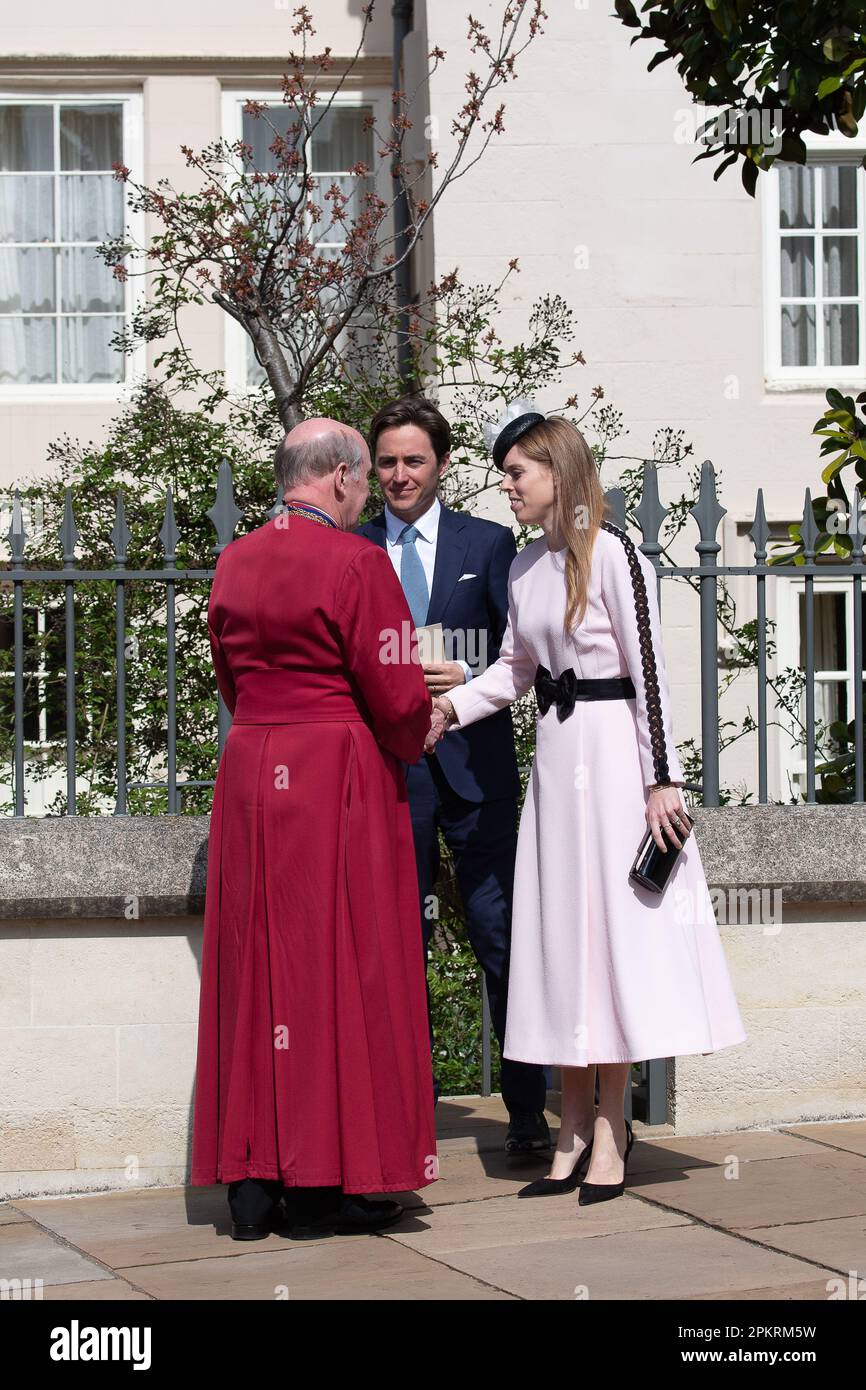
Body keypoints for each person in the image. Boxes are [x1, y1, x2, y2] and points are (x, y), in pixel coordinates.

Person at [427, 405, 747, 1206]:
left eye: (517, 472)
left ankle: (612, 1126)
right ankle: (568, 1128)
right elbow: (513, 671)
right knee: (563, 940)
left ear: (558, 474)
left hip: (616, 764)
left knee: (612, 944)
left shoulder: (616, 557)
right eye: (505, 473)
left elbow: (653, 677)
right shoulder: (526, 569)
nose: (506, 485)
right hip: (558, 767)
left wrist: (661, 782)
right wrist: (450, 708)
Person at [190, 418, 438, 1240]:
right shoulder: (360, 561)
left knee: (258, 972)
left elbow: (230, 678)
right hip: (337, 773)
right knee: (346, 966)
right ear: (337, 476)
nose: (370, 493)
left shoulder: (235, 559)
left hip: (253, 769)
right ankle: (336, 1183)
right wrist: (421, 727)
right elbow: (398, 693)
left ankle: (255, 1183)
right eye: (365, 479)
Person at [355, 394, 550, 1155]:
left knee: (501, 940)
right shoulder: (355, 545)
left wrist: (463, 672)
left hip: (477, 769)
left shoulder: (492, 543)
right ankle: (408, 1117)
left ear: (441, 465)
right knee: (396, 944)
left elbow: (522, 654)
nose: (400, 474)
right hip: (387, 775)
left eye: (415, 460)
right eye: (388, 462)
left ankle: (528, 1112)